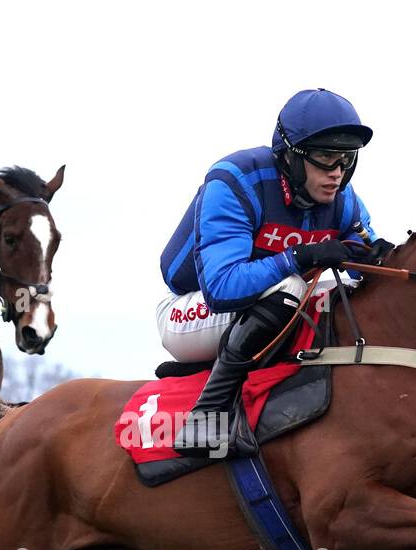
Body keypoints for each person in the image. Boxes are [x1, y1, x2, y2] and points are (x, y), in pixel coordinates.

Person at [157, 89, 391, 457]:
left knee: (347, 287)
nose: (337, 174)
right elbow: (222, 288)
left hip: (259, 309)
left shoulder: (343, 200)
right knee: (292, 286)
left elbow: (367, 252)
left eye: (346, 160)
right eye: (326, 159)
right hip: (191, 310)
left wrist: (376, 257)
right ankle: (206, 418)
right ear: (291, 157)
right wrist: (298, 255)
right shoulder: (235, 182)